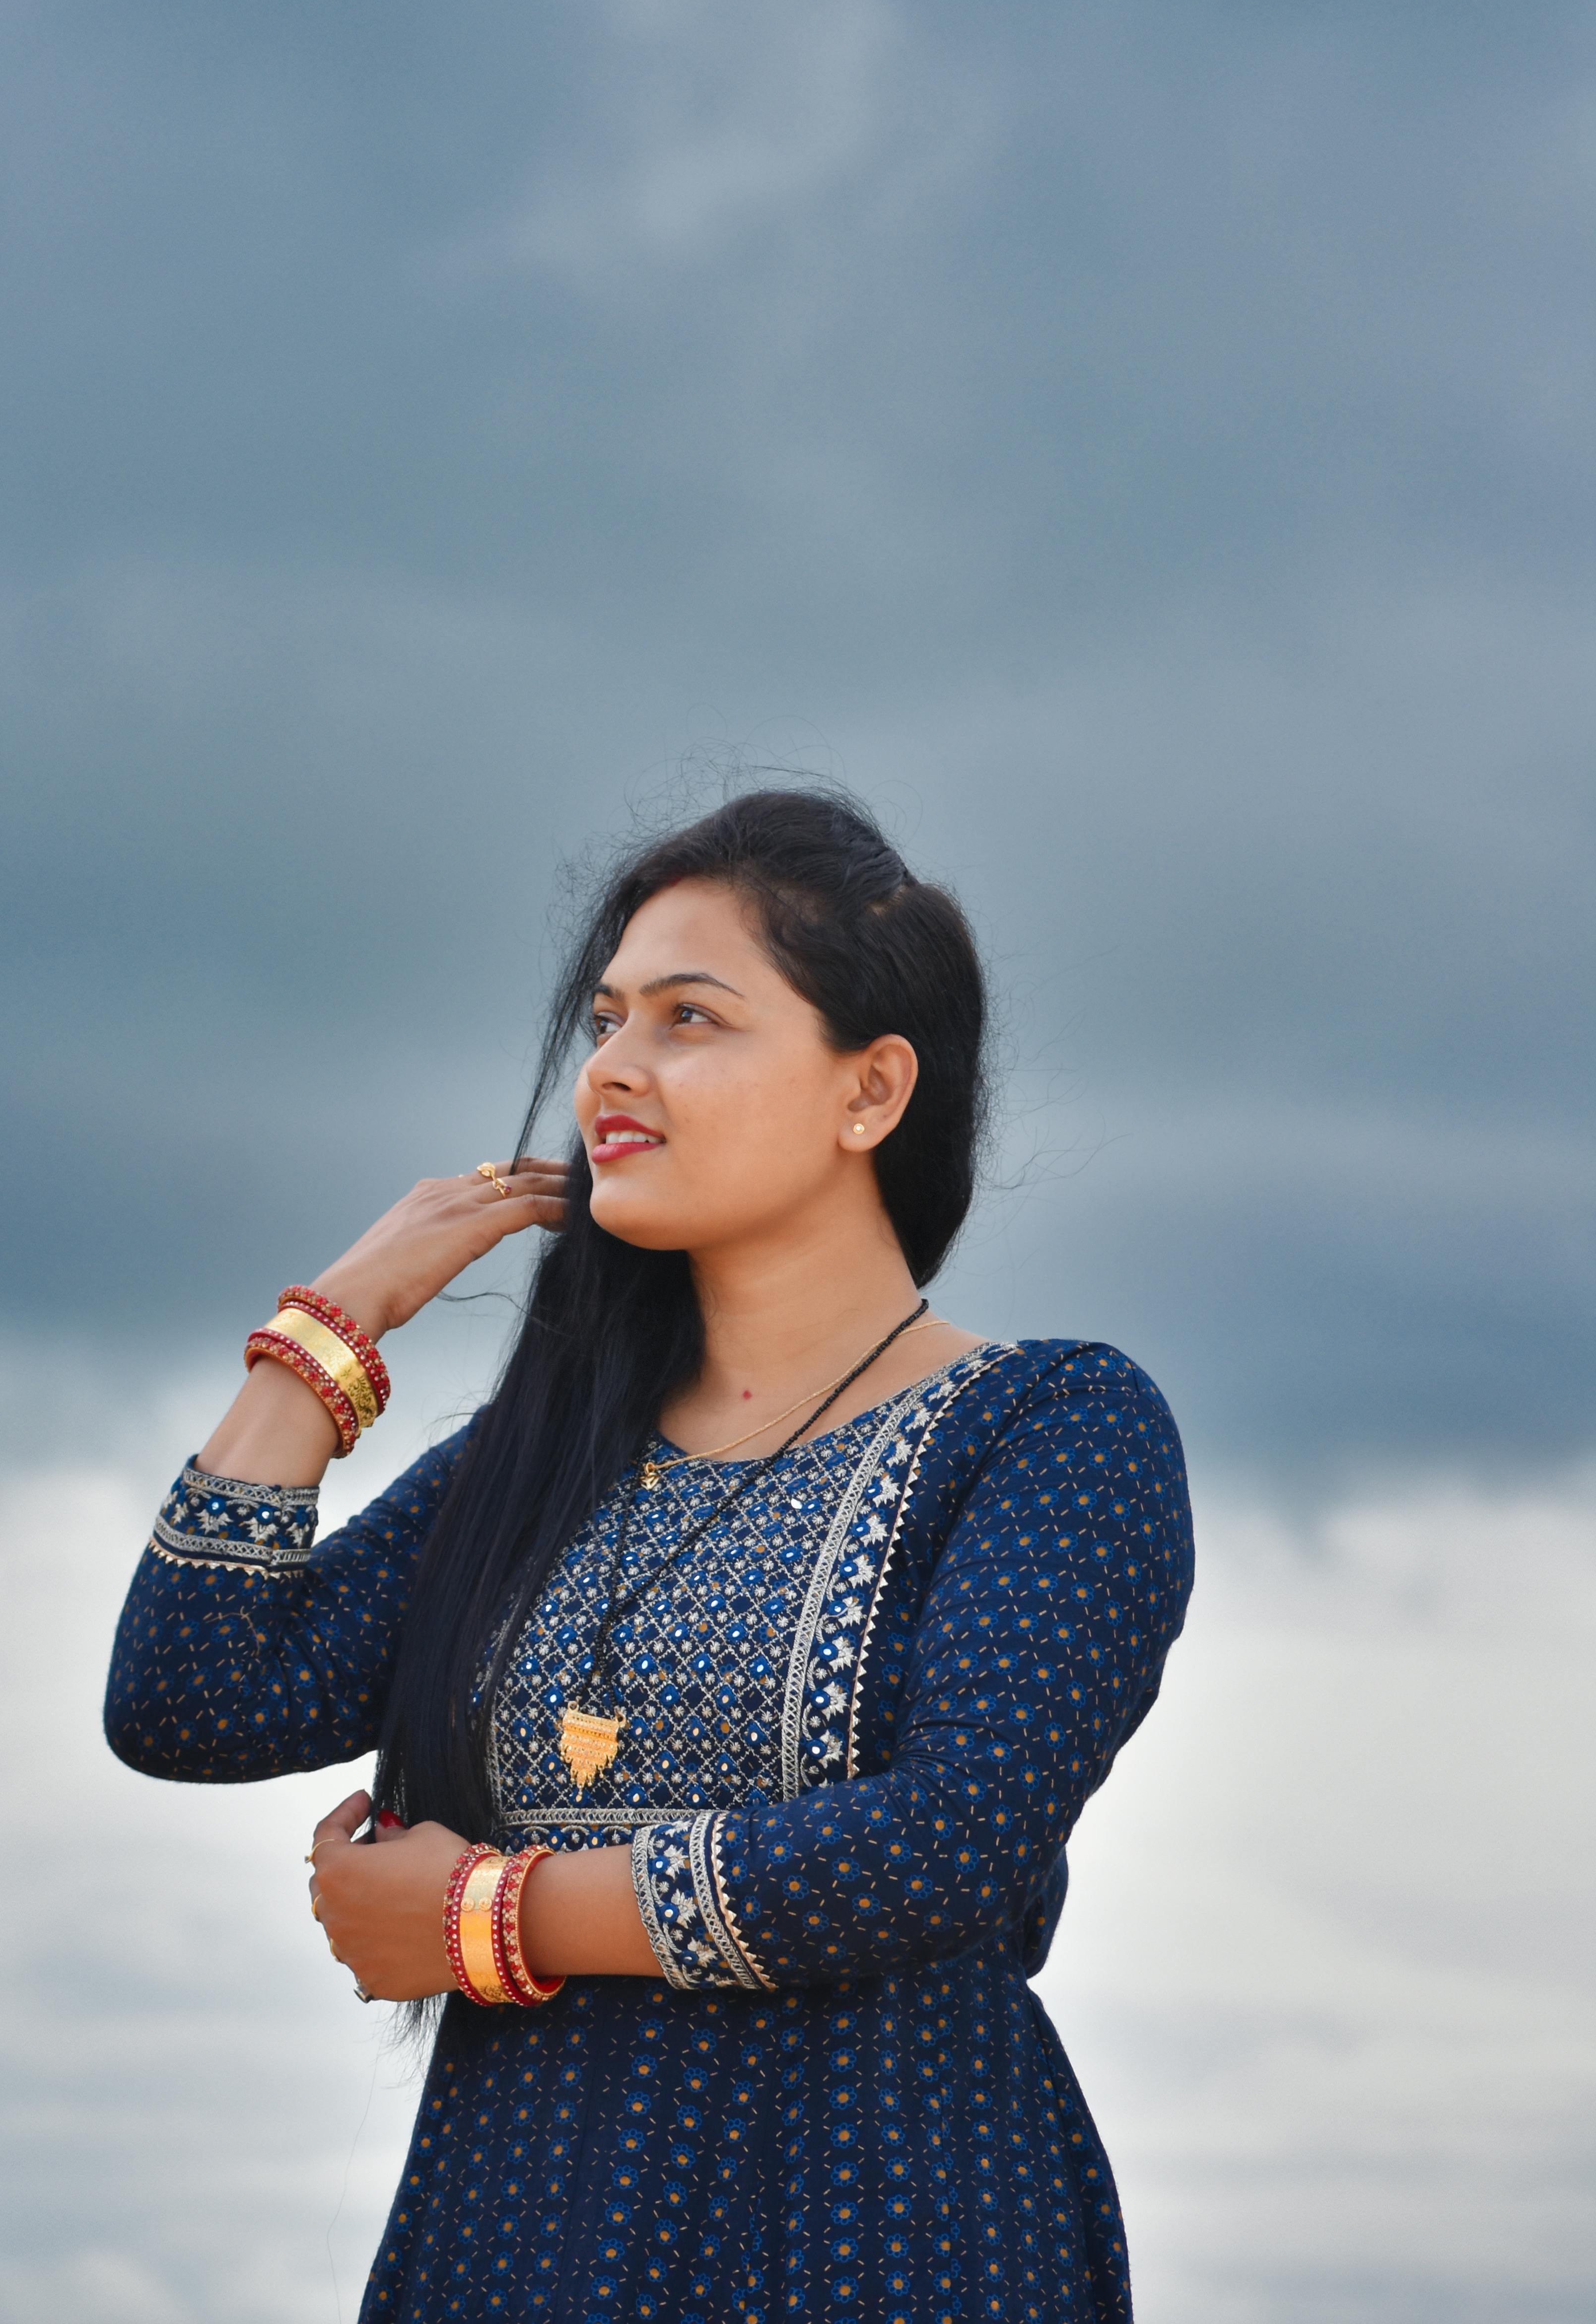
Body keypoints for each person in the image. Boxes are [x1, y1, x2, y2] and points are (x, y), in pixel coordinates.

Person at [105, 788, 1193, 2321]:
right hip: (519, 2239)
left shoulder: (1048, 1430)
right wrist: (326, 1336)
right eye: (607, 1018)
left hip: (893, 2234)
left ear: (870, 1091)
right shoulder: (536, 1469)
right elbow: (190, 1698)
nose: (612, 1066)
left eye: (691, 1018)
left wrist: (491, 1914)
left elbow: (942, 1843)